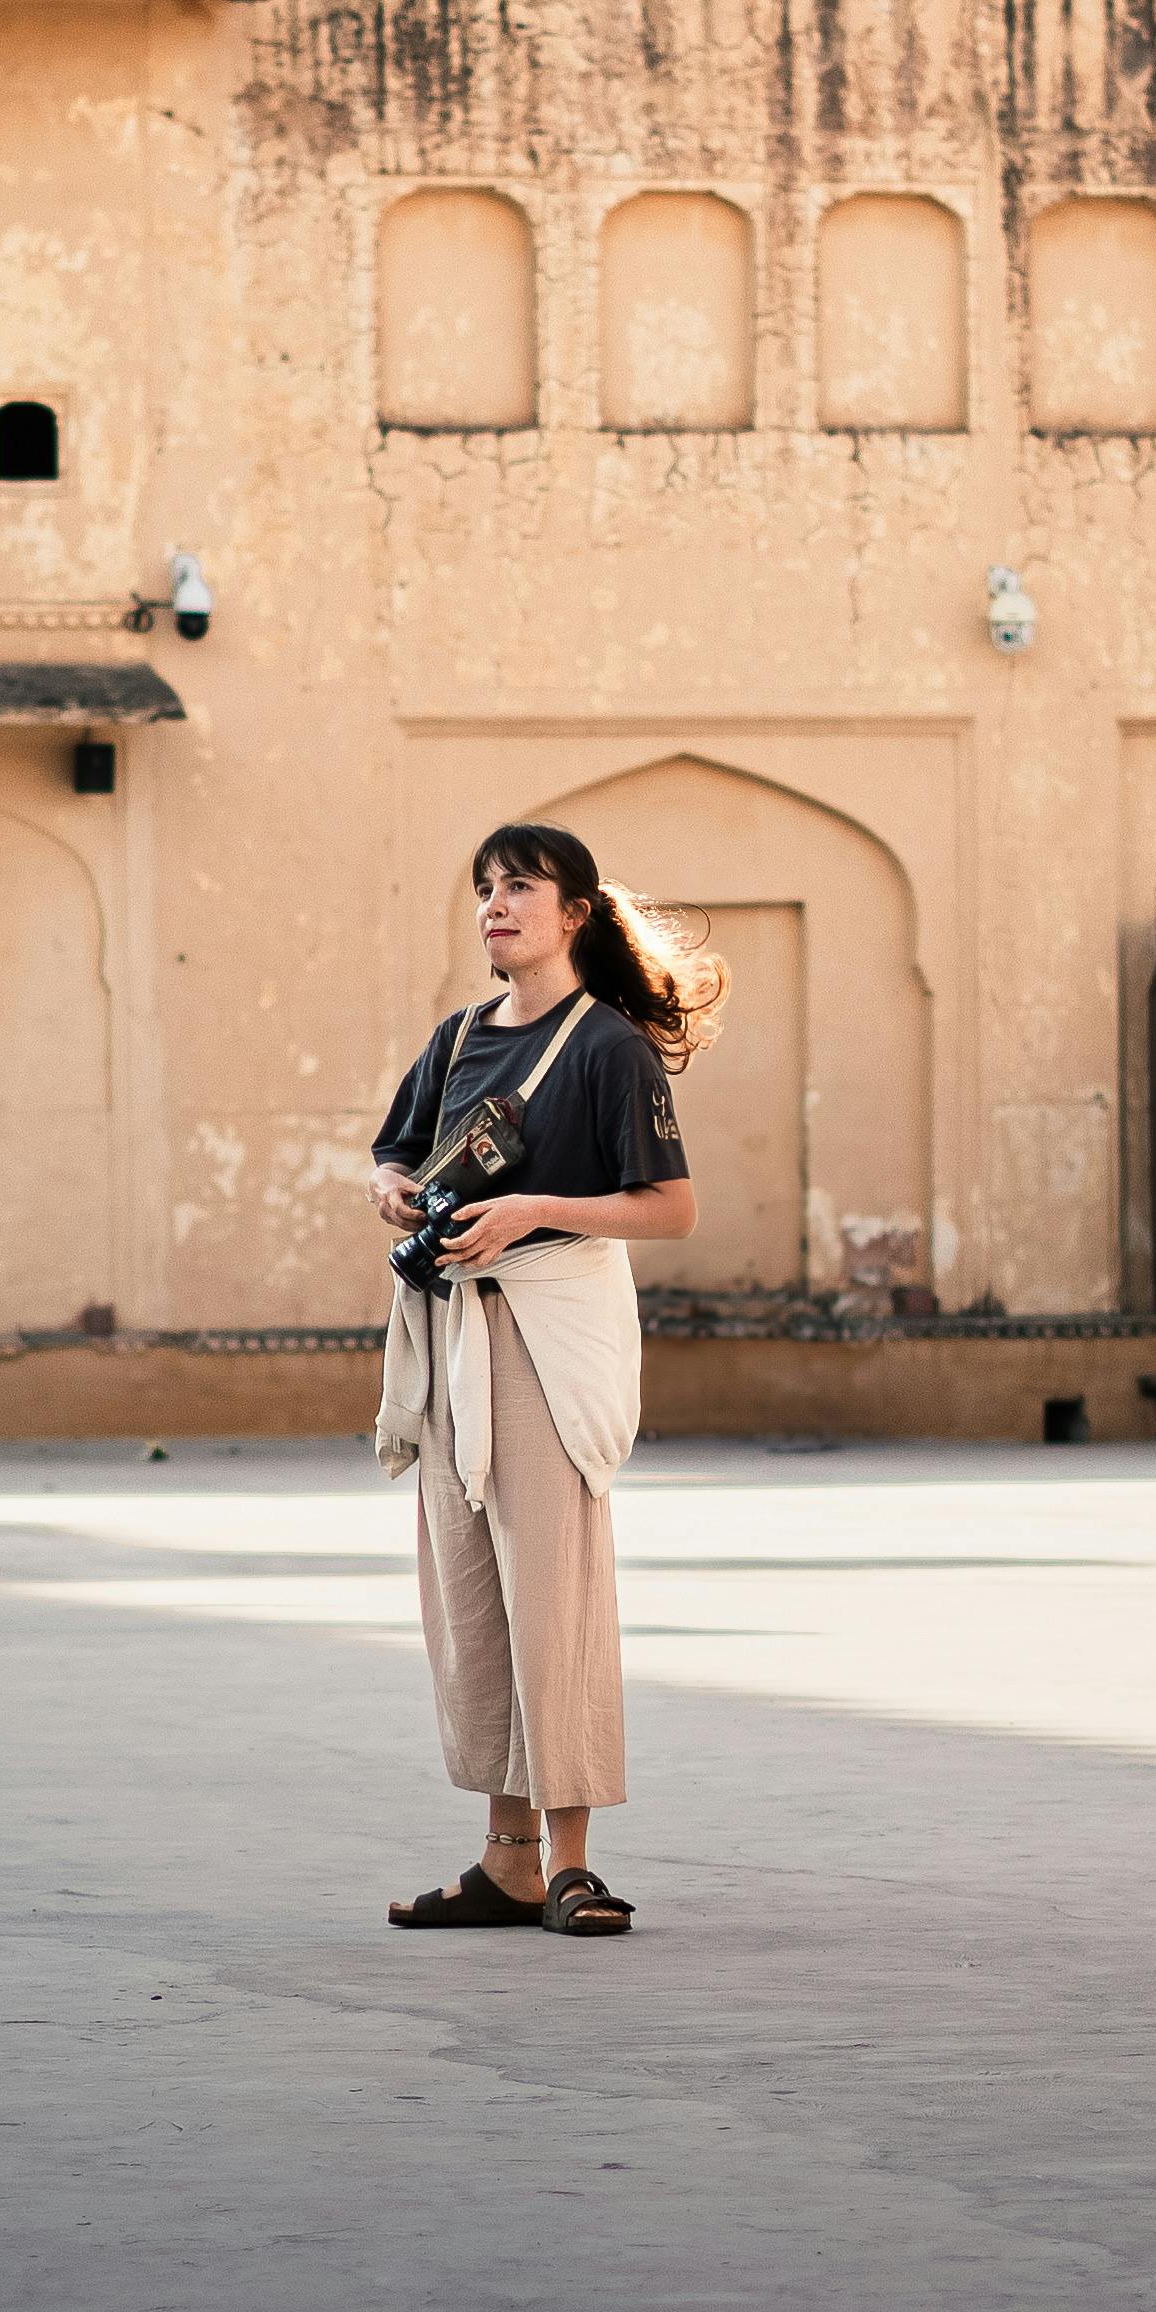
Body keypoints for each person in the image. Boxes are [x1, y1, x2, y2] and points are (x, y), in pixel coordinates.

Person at [367, 824, 718, 1937]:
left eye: (520, 885)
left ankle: (570, 1859)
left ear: (575, 912)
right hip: (450, 1333)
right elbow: (394, 1149)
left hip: (547, 1332)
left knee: (549, 1596)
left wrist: (531, 1210)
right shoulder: (460, 1035)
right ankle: (506, 1858)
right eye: (483, 887)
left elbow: (671, 1207)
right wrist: (392, 1188)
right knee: (470, 1600)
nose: (494, 903)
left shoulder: (609, 1046)